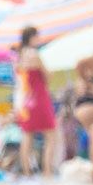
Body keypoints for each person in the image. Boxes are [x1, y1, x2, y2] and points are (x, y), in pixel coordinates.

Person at [14, 25, 60, 175]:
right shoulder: (34, 54)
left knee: (27, 136)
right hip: (39, 98)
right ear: (32, 37)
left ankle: (27, 171)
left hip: (24, 101)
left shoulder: (18, 57)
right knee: (50, 135)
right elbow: (47, 76)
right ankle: (47, 170)